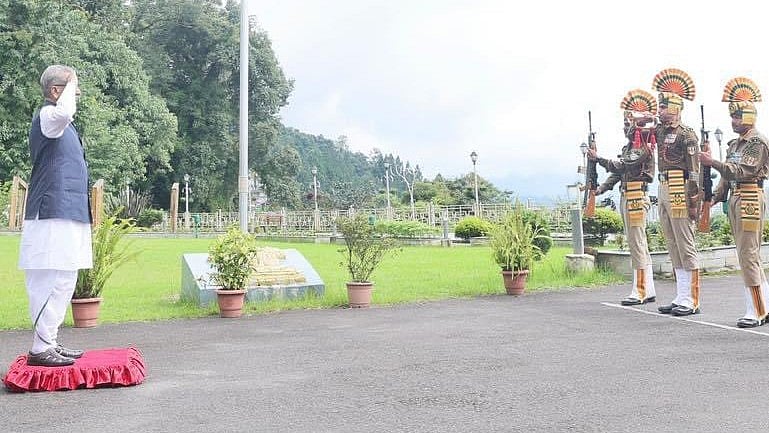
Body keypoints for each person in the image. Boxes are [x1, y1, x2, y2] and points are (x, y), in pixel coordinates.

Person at [18, 65, 92, 366]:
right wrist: (70, 79)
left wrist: (71, 82)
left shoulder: (62, 124)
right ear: (55, 91)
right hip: (51, 210)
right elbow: (64, 113)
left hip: (67, 210)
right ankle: (40, 347)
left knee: (65, 277)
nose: (78, 92)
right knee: (49, 278)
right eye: (73, 86)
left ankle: (49, 340)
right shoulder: (49, 115)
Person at [700, 76, 769, 328]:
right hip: (736, 197)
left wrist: (713, 163)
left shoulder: (756, 142)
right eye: (732, 116)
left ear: (749, 116)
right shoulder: (733, 144)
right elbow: (726, 179)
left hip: (750, 196)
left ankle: (757, 310)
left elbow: (743, 171)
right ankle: (764, 304)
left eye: (738, 116)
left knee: (748, 254)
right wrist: (713, 198)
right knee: (747, 254)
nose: (733, 120)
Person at [588, 89, 657, 305]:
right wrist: (601, 189)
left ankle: (641, 289)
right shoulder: (629, 146)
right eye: (624, 125)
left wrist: (598, 158)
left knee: (637, 242)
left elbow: (623, 165)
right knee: (637, 242)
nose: (626, 128)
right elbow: (618, 173)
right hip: (628, 194)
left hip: (636, 195)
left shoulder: (643, 146)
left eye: (629, 123)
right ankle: (648, 287)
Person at [651, 68, 701, 316]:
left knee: (685, 242)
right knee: (672, 242)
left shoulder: (687, 135)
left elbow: (694, 171)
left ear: (676, 108)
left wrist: (694, 201)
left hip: (680, 187)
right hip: (663, 186)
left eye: (663, 107)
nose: (659, 110)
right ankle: (681, 294)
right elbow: (633, 133)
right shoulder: (660, 131)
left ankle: (692, 298)